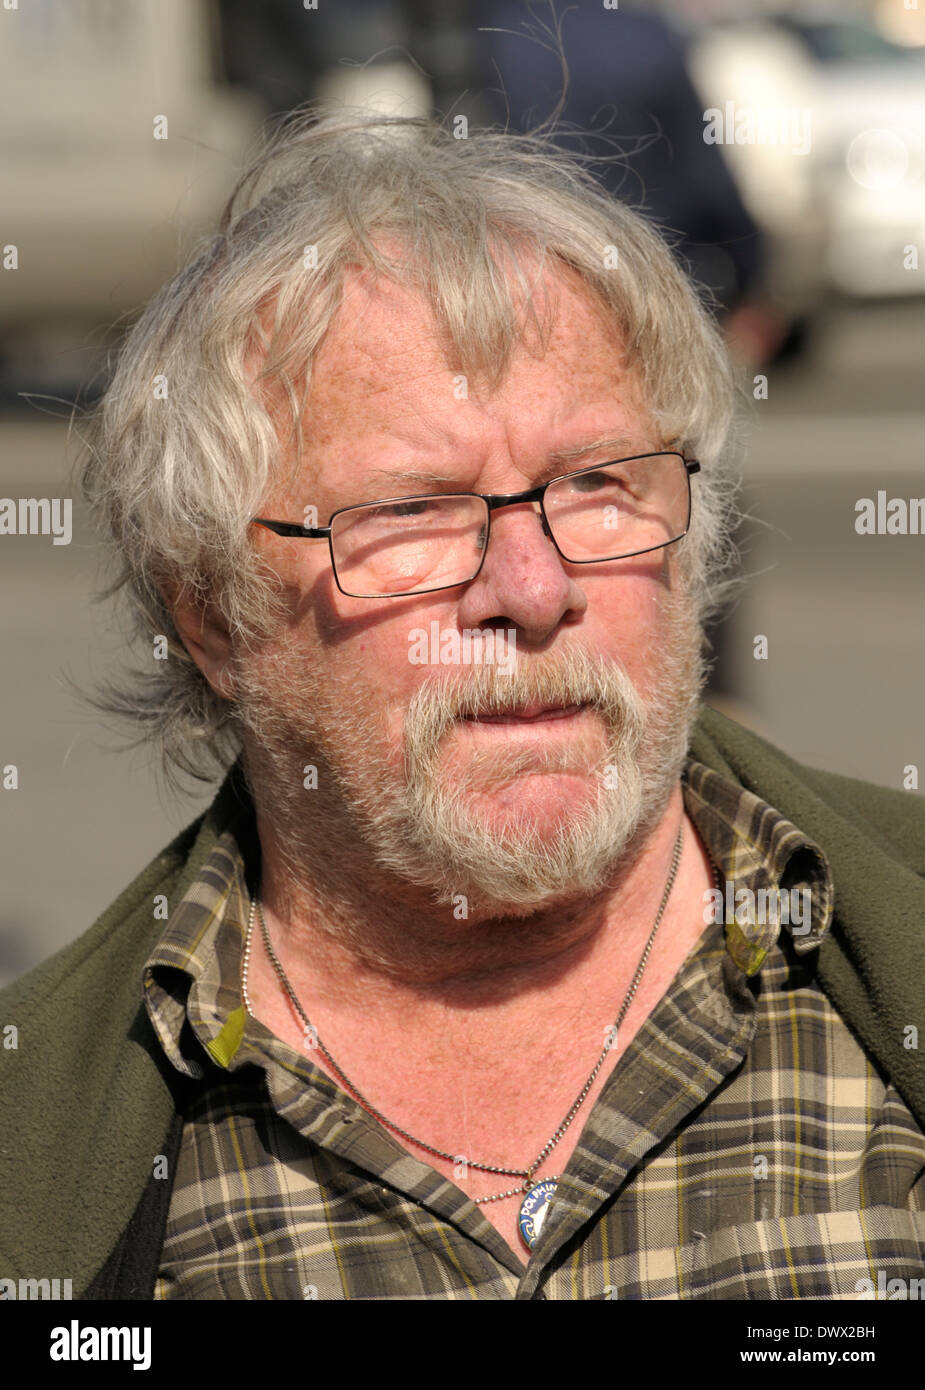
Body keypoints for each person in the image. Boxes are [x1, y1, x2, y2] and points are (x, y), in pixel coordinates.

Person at [2, 111, 923, 1302]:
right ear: (215, 621)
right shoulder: (52, 1152)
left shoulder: (875, 970)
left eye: (596, 484)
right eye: (410, 513)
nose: (531, 591)